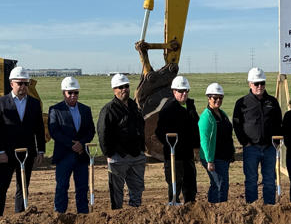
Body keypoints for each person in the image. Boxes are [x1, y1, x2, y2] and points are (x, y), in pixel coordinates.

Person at [0, 66, 46, 215]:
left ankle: (20, 216)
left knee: (23, 186)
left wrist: (41, 150)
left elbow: (39, 129)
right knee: (2, 186)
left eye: (25, 83)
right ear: (11, 84)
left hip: (27, 153)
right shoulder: (1, 102)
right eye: (19, 83)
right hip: (6, 153)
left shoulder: (34, 104)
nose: (23, 87)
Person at [233, 67, 283, 204]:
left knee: (269, 180)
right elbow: (237, 125)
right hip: (251, 148)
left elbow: (279, 122)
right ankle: (252, 208)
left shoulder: (272, 102)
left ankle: (269, 207)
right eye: (256, 83)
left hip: (269, 148)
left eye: (262, 83)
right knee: (251, 180)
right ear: (250, 84)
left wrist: (277, 142)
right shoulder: (242, 103)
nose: (259, 86)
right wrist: (245, 142)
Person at [97, 73, 146, 209]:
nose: (124, 89)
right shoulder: (108, 110)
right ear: (114, 90)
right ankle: (117, 215)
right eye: (120, 87)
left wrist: (142, 148)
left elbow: (141, 126)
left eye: (126, 86)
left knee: (137, 188)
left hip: (136, 155)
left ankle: (135, 214)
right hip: (118, 157)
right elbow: (103, 133)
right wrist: (109, 154)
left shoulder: (134, 107)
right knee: (117, 191)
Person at [48, 76, 96, 213]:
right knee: (62, 186)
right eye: (70, 93)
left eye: (76, 92)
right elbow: (54, 132)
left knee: (82, 187)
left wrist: (81, 144)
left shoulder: (85, 110)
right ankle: (60, 214)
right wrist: (71, 145)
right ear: (64, 93)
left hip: (81, 156)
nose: (73, 96)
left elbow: (90, 130)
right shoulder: (55, 110)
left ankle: (83, 214)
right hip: (64, 156)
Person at [155, 75, 200, 203]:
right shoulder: (167, 109)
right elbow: (159, 131)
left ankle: (191, 209)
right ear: (174, 91)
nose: (184, 93)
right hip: (174, 155)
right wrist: (170, 145)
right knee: (175, 184)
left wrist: (195, 146)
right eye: (181, 91)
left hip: (187, 155)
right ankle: (174, 209)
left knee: (190, 185)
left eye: (186, 91)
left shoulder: (190, 107)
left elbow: (196, 128)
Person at [198, 82, 235, 203]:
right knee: (219, 185)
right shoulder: (206, 117)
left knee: (220, 184)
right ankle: (217, 211)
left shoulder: (222, 114)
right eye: (215, 98)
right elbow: (204, 141)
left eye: (220, 98)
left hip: (224, 156)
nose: (218, 100)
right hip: (214, 158)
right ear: (209, 98)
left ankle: (216, 209)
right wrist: (209, 161)